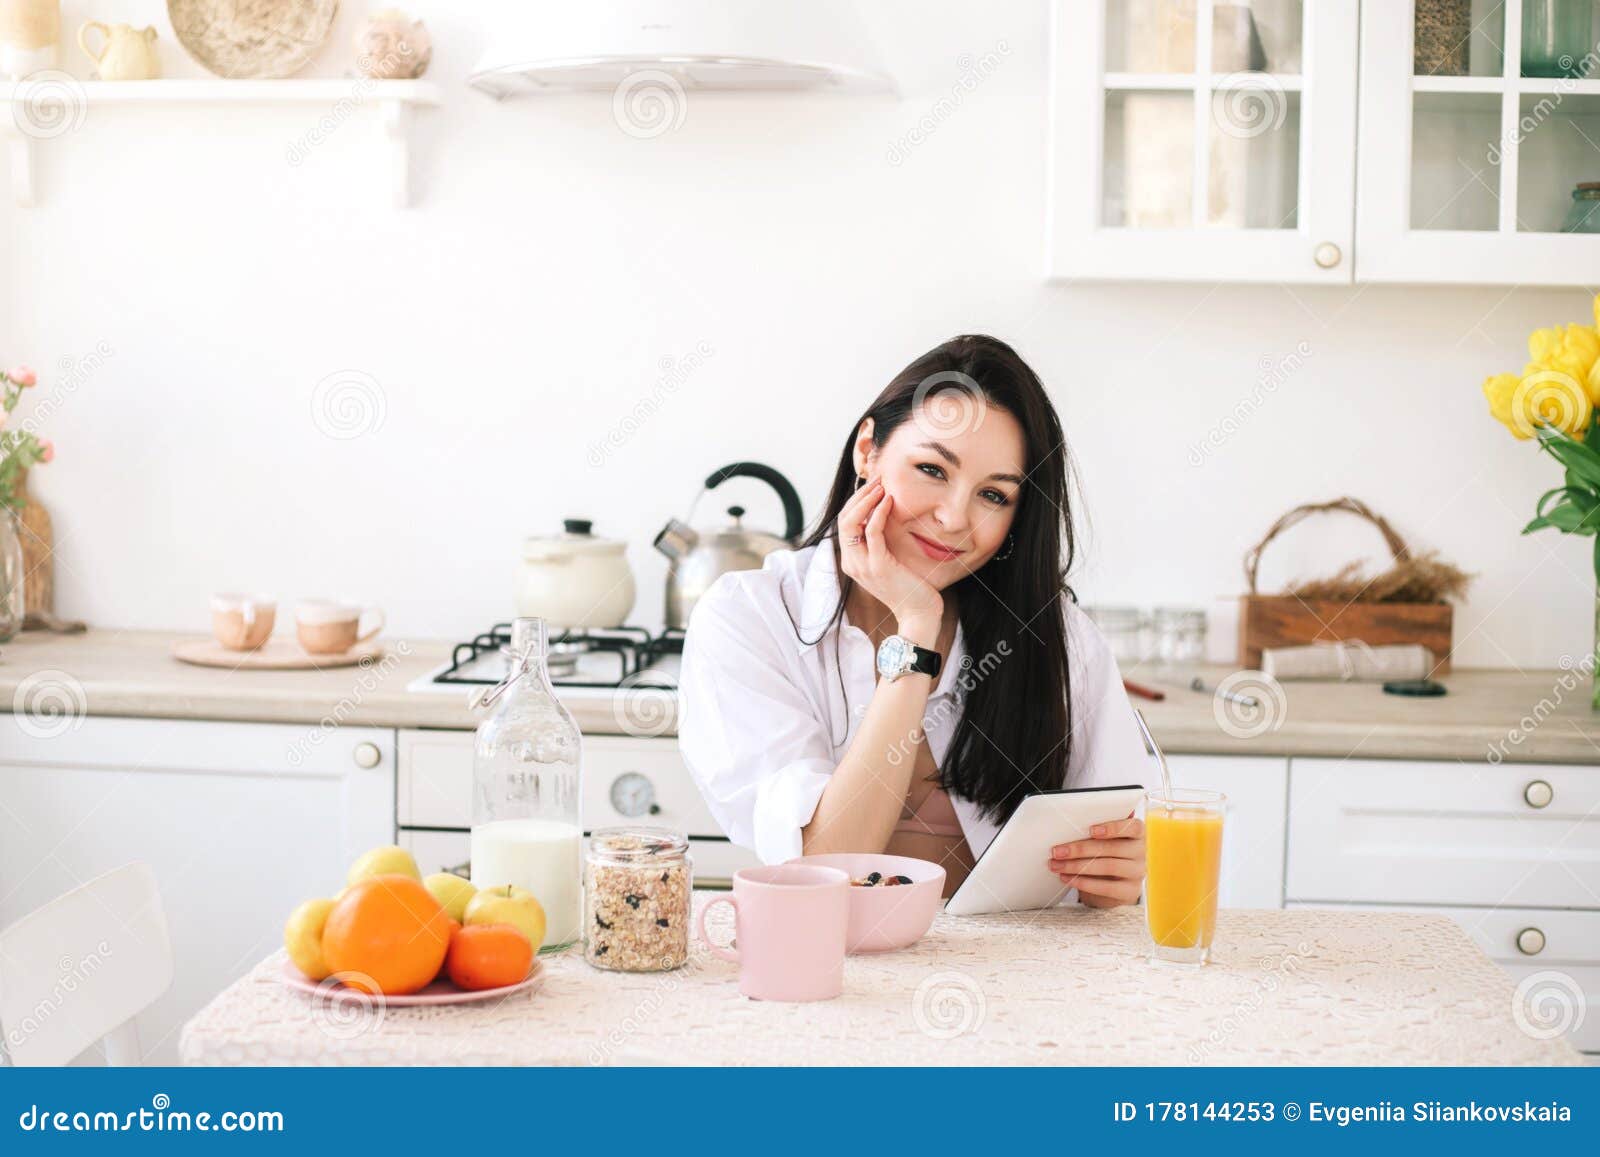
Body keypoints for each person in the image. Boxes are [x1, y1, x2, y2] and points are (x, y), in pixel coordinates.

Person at [677, 335, 1150, 902]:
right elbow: (827, 869)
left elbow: (1126, 856)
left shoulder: (1056, 635)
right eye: (931, 468)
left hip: (1017, 977)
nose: (953, 518)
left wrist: (1117, 878)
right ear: (868, 450)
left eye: (994, 496)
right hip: (832, 975)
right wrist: (917, 628)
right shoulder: (750, 618)